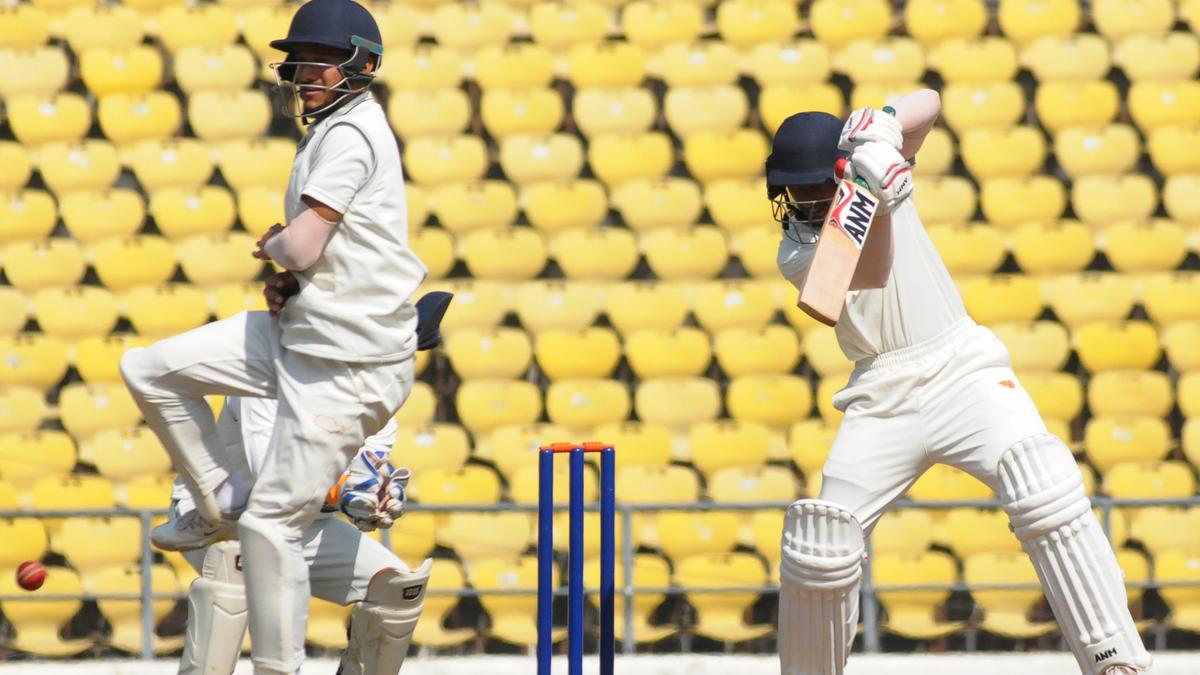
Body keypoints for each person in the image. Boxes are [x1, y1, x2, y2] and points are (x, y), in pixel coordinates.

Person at [768, 91, 1150, 675]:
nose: (809, 203)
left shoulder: (871, 165)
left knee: (1042, 481)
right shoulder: (795, 250)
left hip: (963, 368)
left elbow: (932, 103)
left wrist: (886, 125)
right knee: (820, 541)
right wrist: (883, 200)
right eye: (797, 194)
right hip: (880, 399)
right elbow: (869, 272)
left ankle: (1115, 662)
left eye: (819, 188)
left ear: (841, 170)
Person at [119, 0, 427, 671]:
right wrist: (291, 279)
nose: (310, 73)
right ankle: (214, 498)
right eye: (304, 62)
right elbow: (317, 253)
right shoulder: (331, 132)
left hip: (344, 359)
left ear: (366, 66)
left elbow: (304, 242)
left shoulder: (351, 134)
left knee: (273, 531)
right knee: (148, 368)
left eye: (326, 62)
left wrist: (278, 251)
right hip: (305, 338)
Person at [175, 395, 426, 675]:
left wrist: (375, 497)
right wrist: (341, 492)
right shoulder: (266, 374)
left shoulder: (379, 392)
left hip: (304, 524)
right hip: (220, 518)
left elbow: (364, 471)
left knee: (397, 587)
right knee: (233, 574)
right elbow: (274, 479)